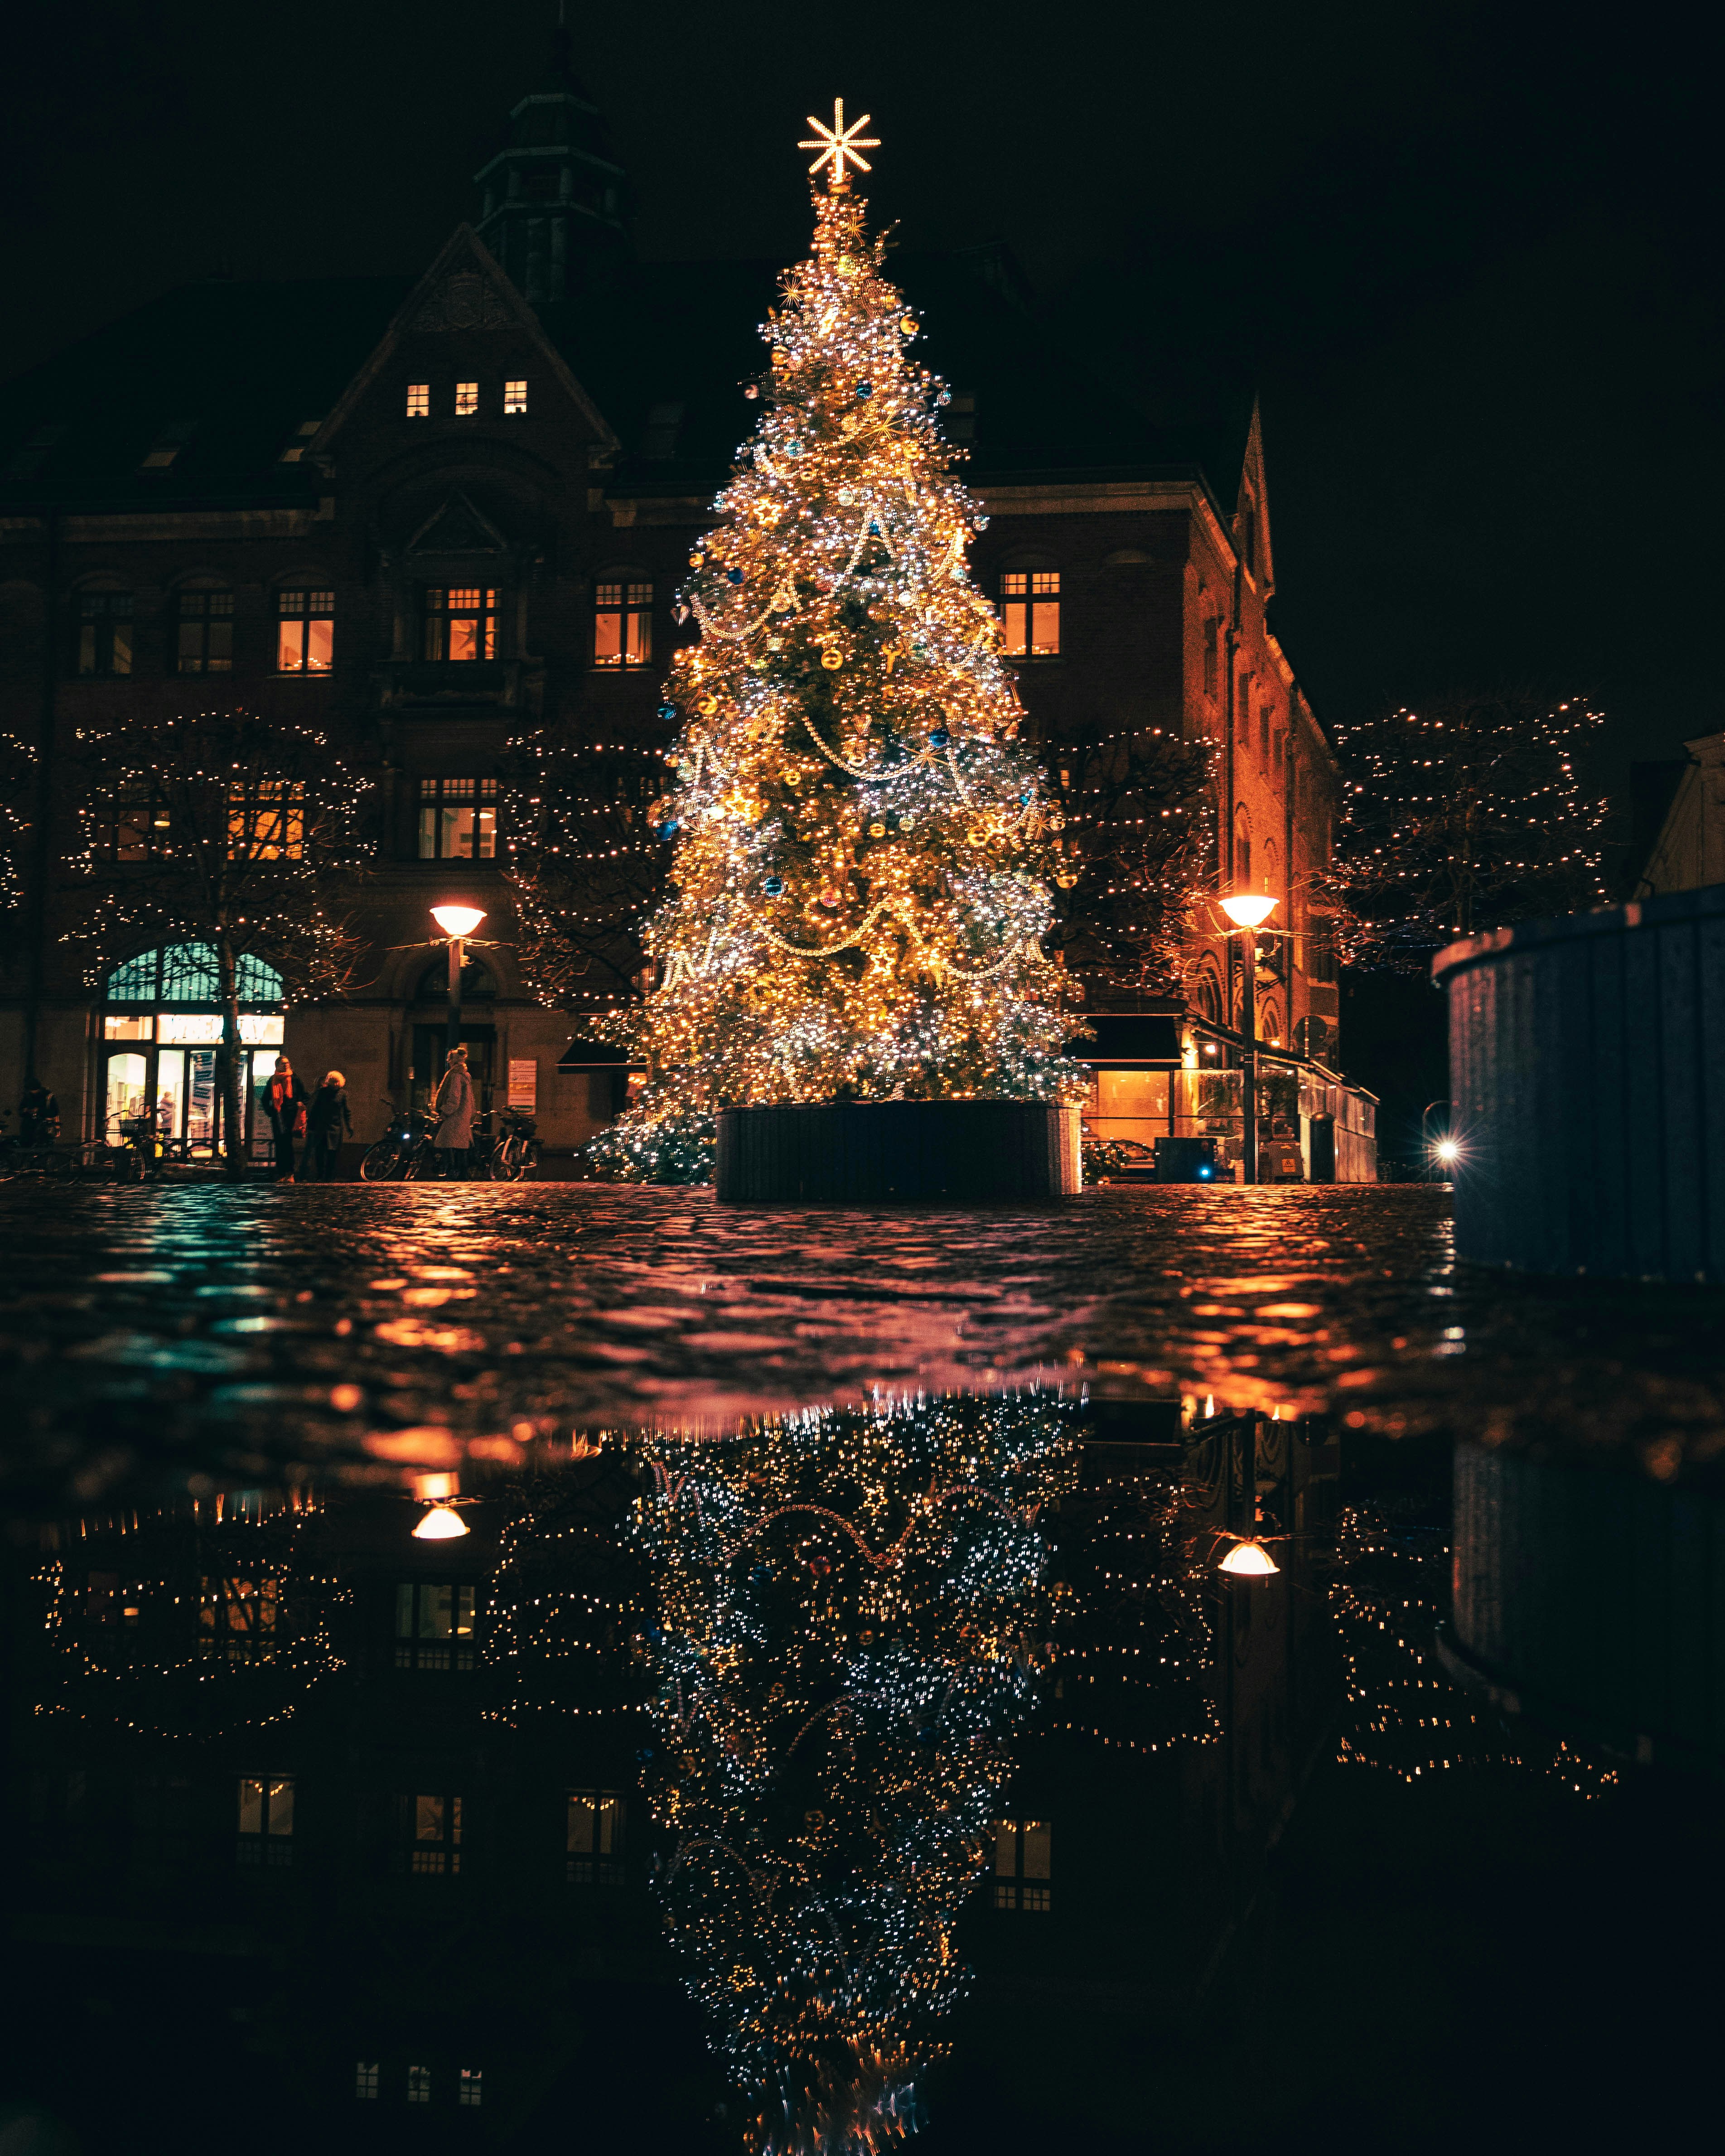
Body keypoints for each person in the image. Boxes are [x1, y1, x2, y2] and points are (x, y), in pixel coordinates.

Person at [260, 1055, 309, 1182]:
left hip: (292, 1116)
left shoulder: (294, 1078)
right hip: (279, 1117)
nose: (287, 1065)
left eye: (288, 1063)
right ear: (277, 1066)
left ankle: (290, 1173)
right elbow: (265, 1099)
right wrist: (271, 1112)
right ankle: (282, 1174)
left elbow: (305, 1095)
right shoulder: (273, 1080)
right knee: (280, 1144)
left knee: (287, 1144)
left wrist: (300, 1103)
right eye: (284, 1064)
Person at [432, 1047, 474, 1179]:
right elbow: (471, 1097)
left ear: (454, 1061)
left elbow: (454, 1098)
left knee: (446, 1142)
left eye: (450, 1060)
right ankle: (462, 1173)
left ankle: (453, 1171)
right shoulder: (466, 1075)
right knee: (460, 1146)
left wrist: (445, 1112)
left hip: (456, 1116)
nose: (448, 1062)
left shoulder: (456, 1076)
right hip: (464, 1115)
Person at [304, 1070, 353, 1181]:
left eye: (337, 1082)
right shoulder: (322, 1092)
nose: (335, 1084)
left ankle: (329, 1177)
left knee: (333, 1154)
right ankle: (320, 1176)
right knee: (320, 1152)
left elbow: (347, 1112)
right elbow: (315, 1109)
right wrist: (311, 1126)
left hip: (335, 1128)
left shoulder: (343, 1094)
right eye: (333, 1081)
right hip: (321, 1127)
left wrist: (350, 1127)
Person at [18, 1082, 59, 1148]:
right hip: (28, 1127)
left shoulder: (48, 1097)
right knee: (27, 1145)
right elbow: (21, 1111)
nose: (31, 1092)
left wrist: (39, 1111)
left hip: (44, 1129)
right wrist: (26, 1111)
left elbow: (54, 1112)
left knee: (42, 1148)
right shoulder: (28, 1096)